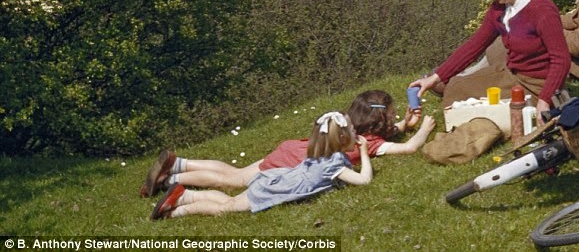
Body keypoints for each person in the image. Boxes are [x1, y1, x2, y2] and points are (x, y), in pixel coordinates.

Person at [139, 90, 434, 197]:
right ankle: (171, 180)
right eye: (392, 114)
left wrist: (403, 125)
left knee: (235, 170)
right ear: (379, 122)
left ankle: (179, 163)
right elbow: (407, 148)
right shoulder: (367, 143)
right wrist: (424, 130)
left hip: (293, 149)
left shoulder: (348, 126)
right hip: (290, 163)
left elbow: (387, 133)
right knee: (233, 180)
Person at [409, 0, 570, 118]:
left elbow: (561, 59)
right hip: (511, 76)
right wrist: (434, 78)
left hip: (540, 85)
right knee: (456, 87)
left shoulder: (542, 10)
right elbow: (474, 46)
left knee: (483, 111)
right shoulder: (498, 9)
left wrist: (545, 100)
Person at [149, 112, 370, 219]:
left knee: (232, 197)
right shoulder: (334, 164)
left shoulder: (321, 155)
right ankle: (178, 209)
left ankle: (184, 192)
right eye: (352, 130)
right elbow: (364, 180)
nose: (356, 133)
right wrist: (363, 153)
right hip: (274, 188)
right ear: (341, 139)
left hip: (274, 179)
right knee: (226, 206)